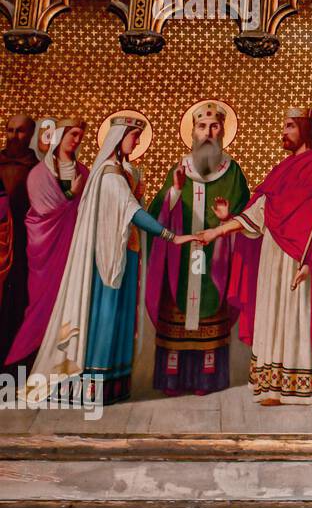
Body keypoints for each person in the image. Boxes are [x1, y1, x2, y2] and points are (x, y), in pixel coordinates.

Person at [25, 115, 193, 406]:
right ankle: (91, 384)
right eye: (134, 136)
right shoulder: (110, 175)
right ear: (119, 137)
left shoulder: (126, 171)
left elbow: (144, 209)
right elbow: (135, 214)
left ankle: (114, 384)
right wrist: (171, 237)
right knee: (105, 316)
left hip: (125, 254)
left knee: (121, 319)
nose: (137, 141)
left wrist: (175, 191)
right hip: (107, 258)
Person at [200, 109, 312, 409]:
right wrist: (220, 229)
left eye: (290, 126)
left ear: (305, 130)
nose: (283, 132)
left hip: (305, 259)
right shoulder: (281, 169)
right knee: (275, 313)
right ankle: (274, 387)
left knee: (305, 316)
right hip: (273, 256)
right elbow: (259, 213)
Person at [145, 101, 249, 396]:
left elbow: (246, 216)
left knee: (210, 312)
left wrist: (228, 219)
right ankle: (172, 378)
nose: (208, 133)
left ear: (223, 132)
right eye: (202, 126)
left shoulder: (233, 173)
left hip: (215, 262)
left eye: (214, 126)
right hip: (178, 260)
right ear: (192, 131)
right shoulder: (179, 169)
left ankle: (207, 380)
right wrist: (175, 192)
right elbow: (157, 215)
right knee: (177, 309)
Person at [4, 119, 88, 374]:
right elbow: (43, 212)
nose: (76, 140)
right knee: (41, 306)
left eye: (80, 135)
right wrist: (71, 196)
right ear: (60, 136)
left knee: (70, 309)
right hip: (46, 253)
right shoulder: (40, 173)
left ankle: (61, 365)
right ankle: (27, 363)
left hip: (74, 252)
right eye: (72, 134)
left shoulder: (83, 171)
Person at [0, 114, 37, 364]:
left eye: (20, 131)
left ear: (30, 135)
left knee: (15, 302)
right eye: (10, 130)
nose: (14, 136)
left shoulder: (35, 168)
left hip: (23, 243)